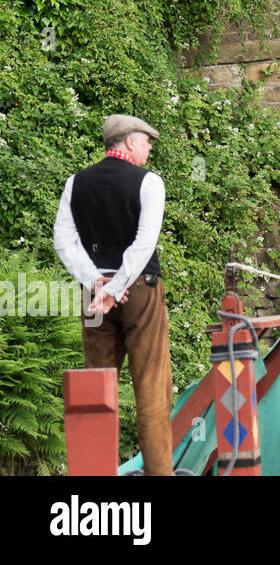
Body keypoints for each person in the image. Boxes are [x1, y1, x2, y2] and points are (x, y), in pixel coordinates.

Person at [53, 115, 173, 475]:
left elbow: (63, 242)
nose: (150, 147)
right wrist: (116, 287)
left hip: (92, 296)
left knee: (95, 388)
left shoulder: (76, 182)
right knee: (151, 388)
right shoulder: (149, 182)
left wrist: (96, 283)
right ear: (130, 142)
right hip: (139, 291)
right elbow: (143, 243)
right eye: (147, 140)